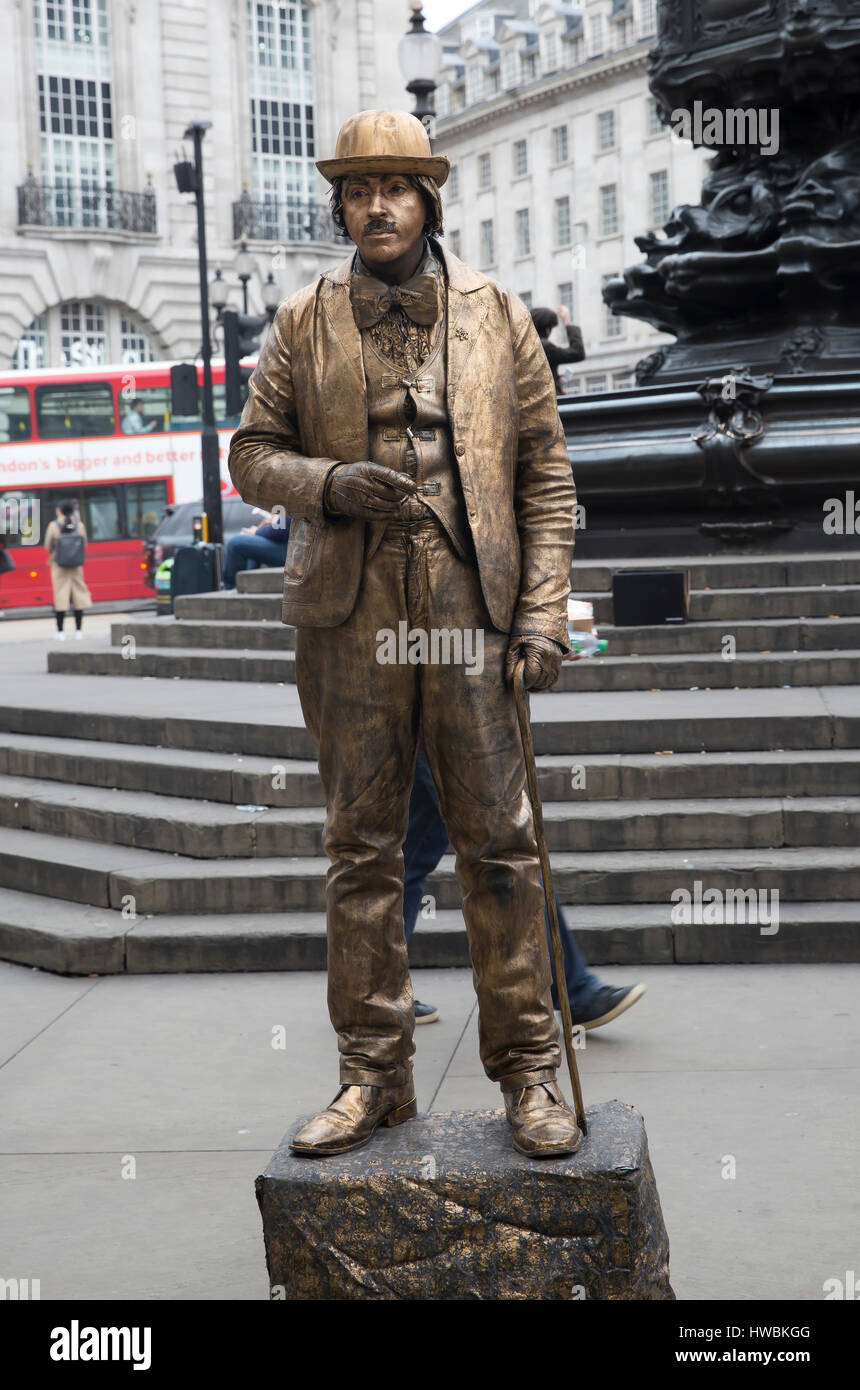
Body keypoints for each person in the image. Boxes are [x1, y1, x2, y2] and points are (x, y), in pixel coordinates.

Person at [229, 109, 580, 1160]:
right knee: (359, 852)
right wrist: (328, 481)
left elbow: (545, 479)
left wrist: (543, 613)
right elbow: (250, 456)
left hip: (470, 611)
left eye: (395, 185)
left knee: (501, 845)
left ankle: (527, 1074)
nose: (375, 204)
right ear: (337, 206)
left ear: (430, 198)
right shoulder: (301, 321)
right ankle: (372, 1077)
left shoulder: (494, 312)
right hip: (350, 615)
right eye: (355, 188)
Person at [404, 738, 645, 1029]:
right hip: (446, 735)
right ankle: (575, 992)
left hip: (430, 734)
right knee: (511, 854)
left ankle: (381, 986)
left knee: (413, 854)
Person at [44, 500, 91, 639]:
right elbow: (84, 544)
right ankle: (78, 631)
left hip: (59, 565)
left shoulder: (54, 525)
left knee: (60, 596)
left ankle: (60, 632)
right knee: (78, 596)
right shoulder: (79, 525)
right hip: (76, 566)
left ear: (59, 511)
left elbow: (47, 545)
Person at [221, 511, 290, 589]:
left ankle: (231, 590)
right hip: (291, 548)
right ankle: (247, 587)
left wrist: (257, 531)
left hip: (291, 552)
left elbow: (280, 531)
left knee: (234, 543)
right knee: (250, 546)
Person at [531, 304, 585, 394]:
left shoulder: (525, 347)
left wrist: (555, 380)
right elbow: (578, 353)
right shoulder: (544, 347)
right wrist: (568, 322)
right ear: (548, 329)